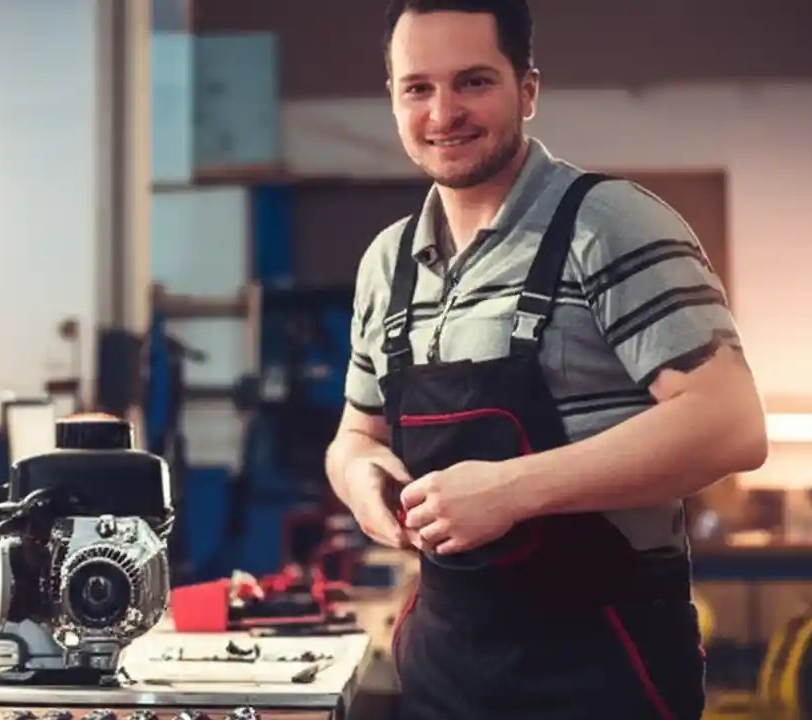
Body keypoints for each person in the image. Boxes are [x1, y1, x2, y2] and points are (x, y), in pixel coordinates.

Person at [323, 1, 769, 718]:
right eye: (418, 88)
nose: (443, 112)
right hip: (444, 667)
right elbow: (355, 434)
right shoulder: (388, 262)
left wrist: (509, 492)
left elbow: (730, 425)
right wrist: (363, 481)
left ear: (527, 90)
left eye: (473, 82)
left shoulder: (611, 224)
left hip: (600, 667)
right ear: (393, 99)